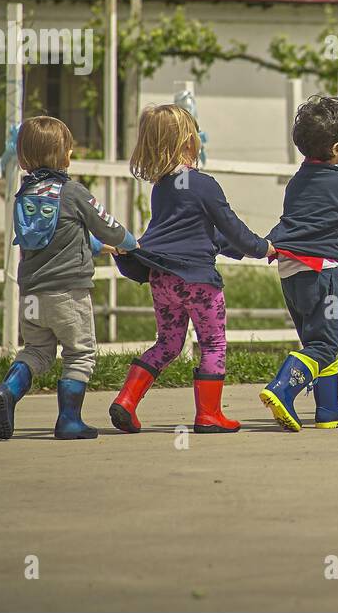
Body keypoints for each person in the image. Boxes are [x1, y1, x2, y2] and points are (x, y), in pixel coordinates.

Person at [110, 103, 270, 435]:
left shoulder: (162, 187)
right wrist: (260, 248)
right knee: (212, 344)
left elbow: (198, 235)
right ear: (187, 142)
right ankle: (209, 415)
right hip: (198, 283)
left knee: (168, 344)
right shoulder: (203, 185)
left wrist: (235, 251)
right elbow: (232, 229)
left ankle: (126, 400)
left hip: (162, 278)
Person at [0, 115, 136, 441]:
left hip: (31, 294)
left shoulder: (25, 197)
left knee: (37, 351)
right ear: (63, 156)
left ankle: (8, 390)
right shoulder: (73, 192)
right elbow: (105, 224)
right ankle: (69, 420)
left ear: (24, 158)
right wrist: (129, 243)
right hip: (68, 292)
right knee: (79, 353)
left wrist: (100, 247)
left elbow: (60, 235)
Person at [260, 96, 338, 432]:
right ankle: (282, 389)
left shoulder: (297, 181)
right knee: (326, 343)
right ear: (335, 147)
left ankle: (329, 408)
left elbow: (313, 225)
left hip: (291, 272)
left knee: (316, 339)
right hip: (322, 275)